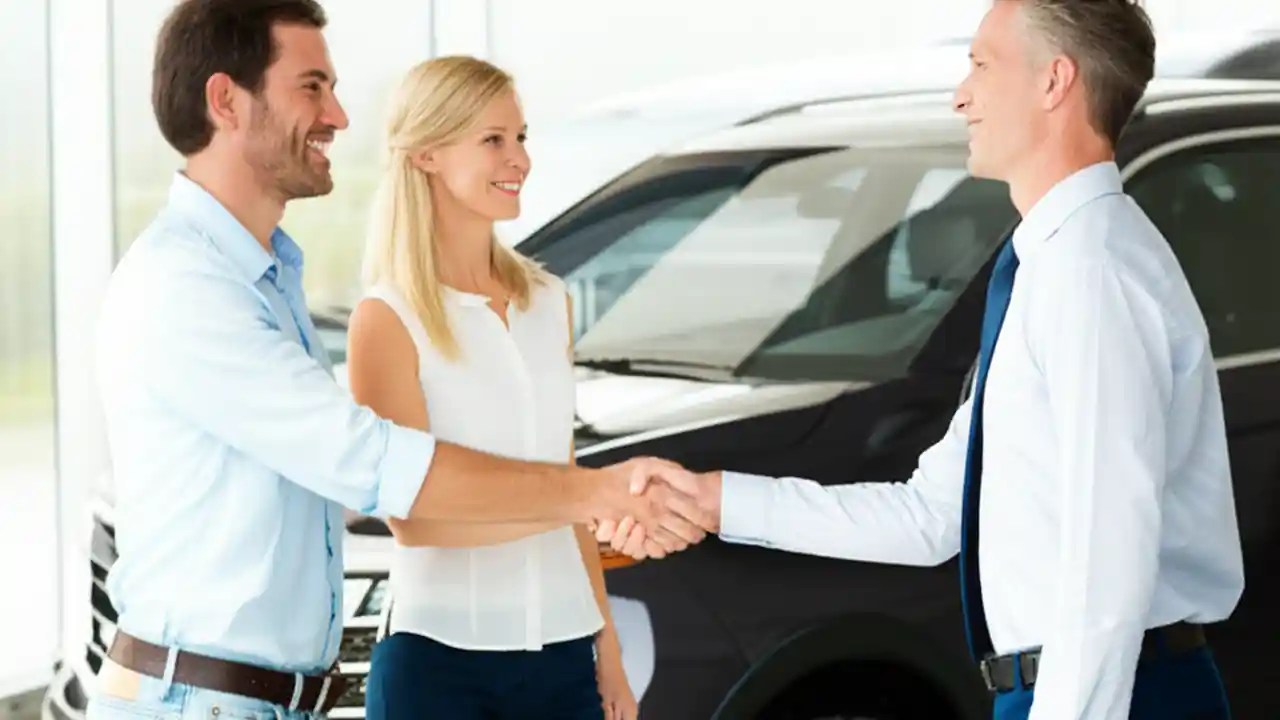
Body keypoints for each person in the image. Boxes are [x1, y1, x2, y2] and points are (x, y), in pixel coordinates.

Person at [603, 1, 1244, 718]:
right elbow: (929, 515)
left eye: (981, 65)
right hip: (1073, 688)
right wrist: (714, 499)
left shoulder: (1087, 274)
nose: (961, 94)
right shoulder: (1051, 267)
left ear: (1055, 81)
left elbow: (1107, 563)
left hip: (1108, 694)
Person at [90, 2, 703, 719]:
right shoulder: (188, 287)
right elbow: (370, 463)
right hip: (203, 702)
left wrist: (597, 605)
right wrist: (597, 493)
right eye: (311, 87)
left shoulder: (266, 276)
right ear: (226, 101)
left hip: (262, 700)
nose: (340, 116)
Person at [348, 56, 637, 720]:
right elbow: (415, 518)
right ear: (425, 154)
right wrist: (585, 496)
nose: (520, 160)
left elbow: (564, 476)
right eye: (493, 140)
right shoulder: (387, 318)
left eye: (522, 137)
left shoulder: (547, 301)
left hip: (564, 653)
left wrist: (608, 647)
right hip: (436, 661)